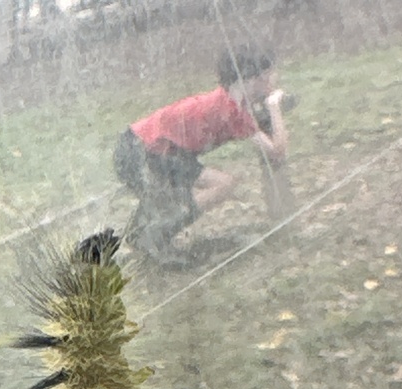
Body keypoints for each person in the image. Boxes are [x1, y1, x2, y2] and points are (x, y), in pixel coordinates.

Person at [113, 45, 289, 266]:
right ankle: (157, 234)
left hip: (142, 146)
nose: (273, 78)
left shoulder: (228, 101)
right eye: (268, 74)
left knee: (171, 196)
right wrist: (274, 107)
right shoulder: (232, 110)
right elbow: (277, 151)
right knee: (223, 184)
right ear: (253, 78)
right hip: (142, 151)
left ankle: (145, 234)